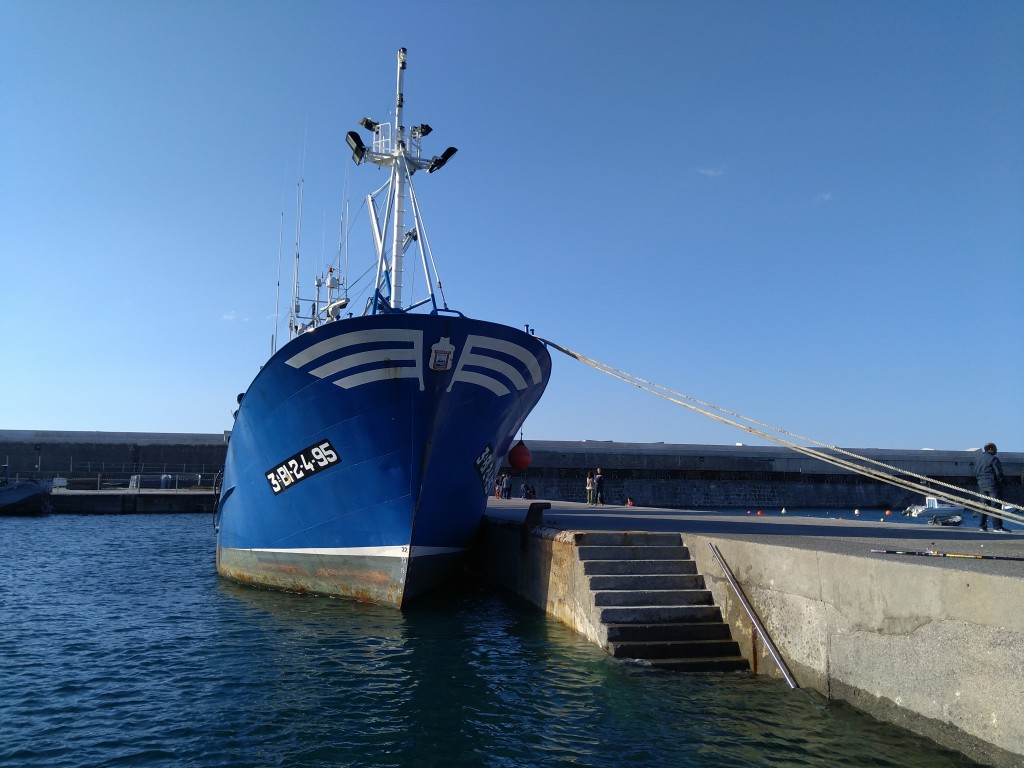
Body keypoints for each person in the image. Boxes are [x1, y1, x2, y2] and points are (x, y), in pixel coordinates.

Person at [976, 442, 1007, 532]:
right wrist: (1003, 483)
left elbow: (976, 471)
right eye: (996, 448)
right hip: (993, 485)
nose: (997, 450)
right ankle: (997, 527)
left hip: (981, 484)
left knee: (983, 506)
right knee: (996, 505)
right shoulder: (993, 459)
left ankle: (982, 526)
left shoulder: (977, 458)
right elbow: (999, 473)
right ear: (990, 449)